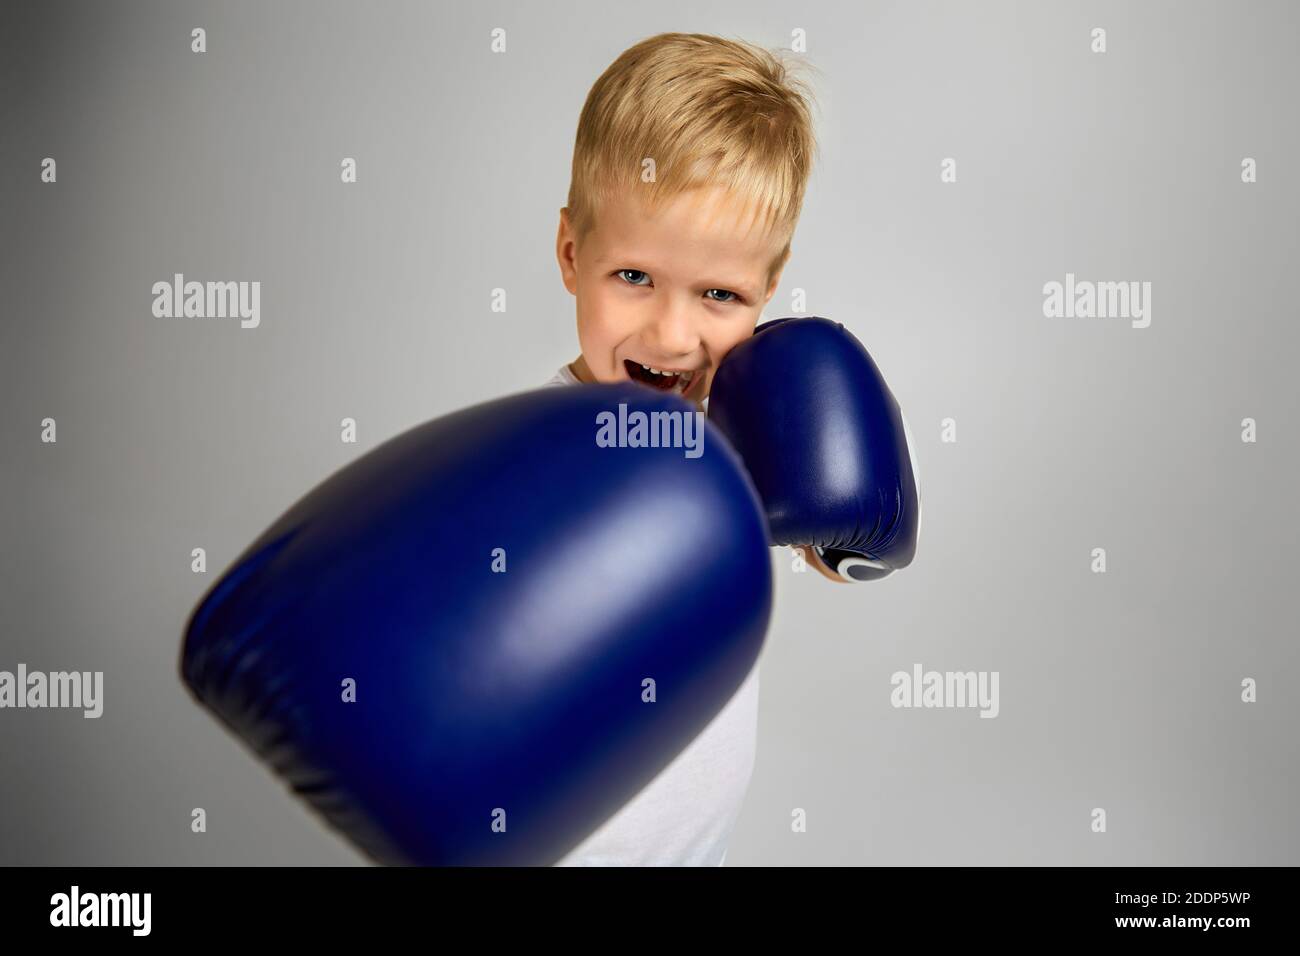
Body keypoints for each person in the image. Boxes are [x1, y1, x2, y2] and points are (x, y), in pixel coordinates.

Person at [545, 32, 821, 867]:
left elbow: (849, 526)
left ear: (768, 290)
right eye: (634, 276)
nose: (672, 334)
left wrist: (841, 534)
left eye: (719, 294)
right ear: (570, 254)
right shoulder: (529, 460)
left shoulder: (756, 431)